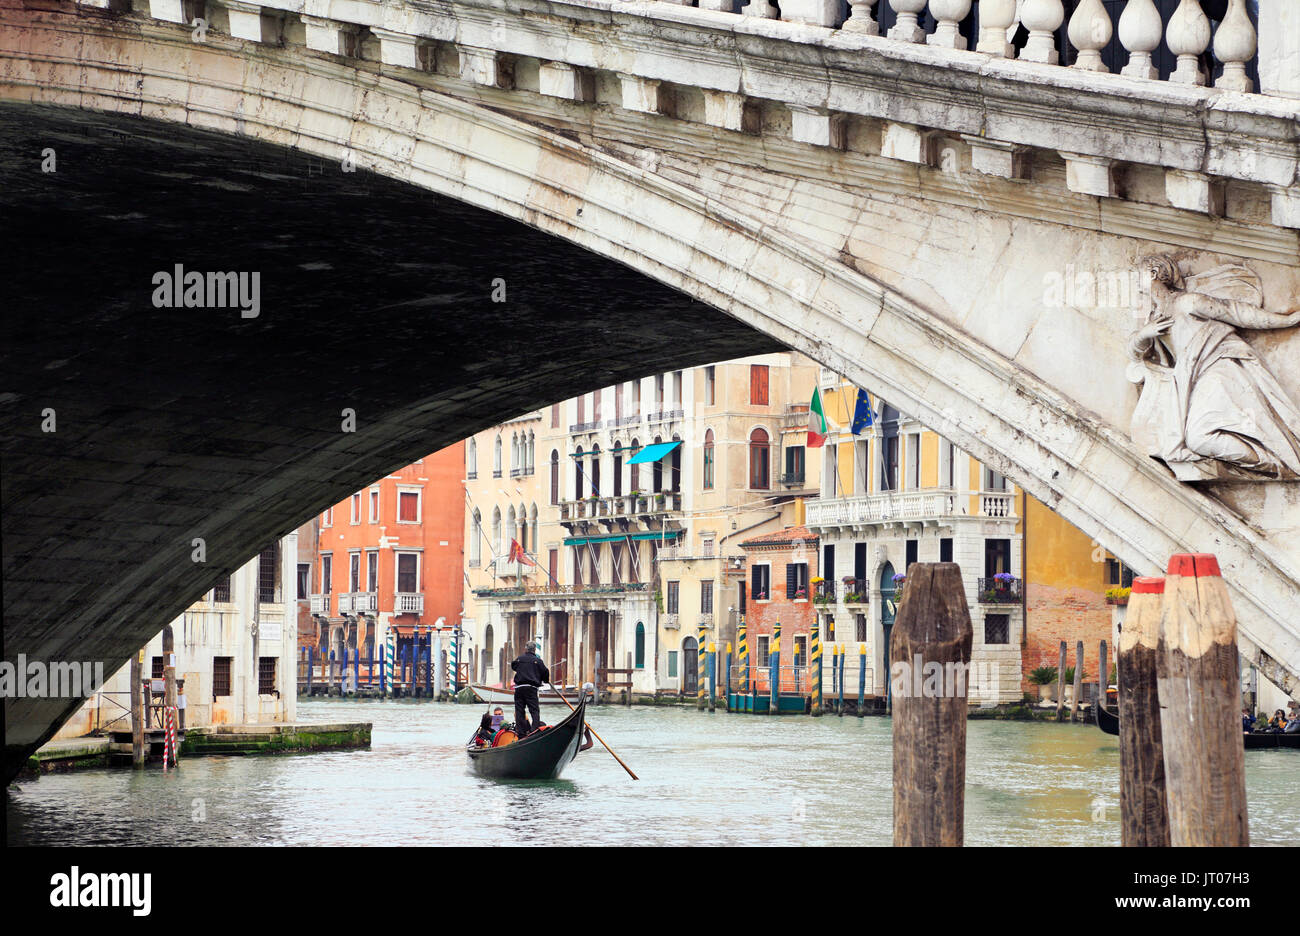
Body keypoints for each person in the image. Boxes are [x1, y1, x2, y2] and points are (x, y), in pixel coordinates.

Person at [510, 641, 550, 737]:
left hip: (519, 689)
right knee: (534, 710)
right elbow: (545, 671)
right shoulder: (538, 661)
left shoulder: (519, 659)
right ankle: (534, 731)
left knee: (519, 711)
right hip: (531, 689)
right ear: (534, 650)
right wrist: (545, 680)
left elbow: (513, 666)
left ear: (526, 649)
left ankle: (521, 733)